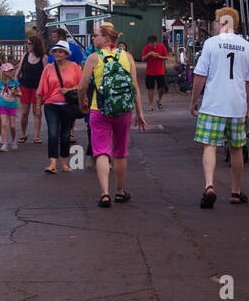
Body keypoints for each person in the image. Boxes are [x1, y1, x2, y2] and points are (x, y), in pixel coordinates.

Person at [192, 7, 249, 208]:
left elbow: (200, 75)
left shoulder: (211, 44)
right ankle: (236, 191)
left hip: (213, 105)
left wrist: (194, 100)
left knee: (209, 146)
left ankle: (209, 185)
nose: (213, 24)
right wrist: (248, 107)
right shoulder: (247, 47)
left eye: (215, 20)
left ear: (223, 22)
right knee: (236, 148)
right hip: (236, 105)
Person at [78, 23, 149, 207]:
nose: (94, 39)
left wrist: (82, 101)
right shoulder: (127, 57)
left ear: (106, 39)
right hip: (123, 111)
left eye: (96, 36)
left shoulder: (94, 58)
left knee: (101, 151)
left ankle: (105, 193)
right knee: (120, 151)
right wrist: (139, 112)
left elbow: (82, 86)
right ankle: (119, 191)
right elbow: (134, 87)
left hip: (99, 109)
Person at [39, 41, 82, 173]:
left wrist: (69, 89)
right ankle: (52, 163)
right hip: (51, 104)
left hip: (68, 106)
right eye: (56, 51)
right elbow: (41, 89)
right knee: (52, 134)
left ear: (66, 54)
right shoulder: (48, 68)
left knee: (65, 135)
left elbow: (82, 85)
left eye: (60, 51)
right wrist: (37, 106)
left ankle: (64, 163)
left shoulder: (74, 67)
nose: (57, 53)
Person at [18, 34, 46, 144]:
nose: (28, 45)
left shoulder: (44, 58)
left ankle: (36, 136)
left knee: (37, 112)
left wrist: (42, 88)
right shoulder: (25, 55)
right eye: (27, 43)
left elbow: (46, 75)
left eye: (30, 43)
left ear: (36, 45)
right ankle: (23, 133)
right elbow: (18, 71)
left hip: (37, 88)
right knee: (24, 112)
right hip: (24, 86)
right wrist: (14, 85)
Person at [142, 32, 171, 110]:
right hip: (149, 71)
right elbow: (143, 59)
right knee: (150, 88)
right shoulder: (146, 48)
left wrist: (159, 56)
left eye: (152, 43)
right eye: (150, 43)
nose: (151, 45)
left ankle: (159, 100)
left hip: (160, 71)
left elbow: (167, 57)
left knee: (162, 88)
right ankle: (150, 105)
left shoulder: (161, 47)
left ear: (155, 42)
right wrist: (148, 55)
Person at [0, 61, 21, 151]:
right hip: (3, 106)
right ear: (3, 72)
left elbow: (20, 93)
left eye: (12, 70)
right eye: (8, 71)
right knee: (4, 124)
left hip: (12, 106)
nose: (11, 72)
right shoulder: (0, 82)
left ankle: (14, 140)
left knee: (13, 126)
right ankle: (4, 144)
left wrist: (16, 93)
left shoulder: (14, 82)